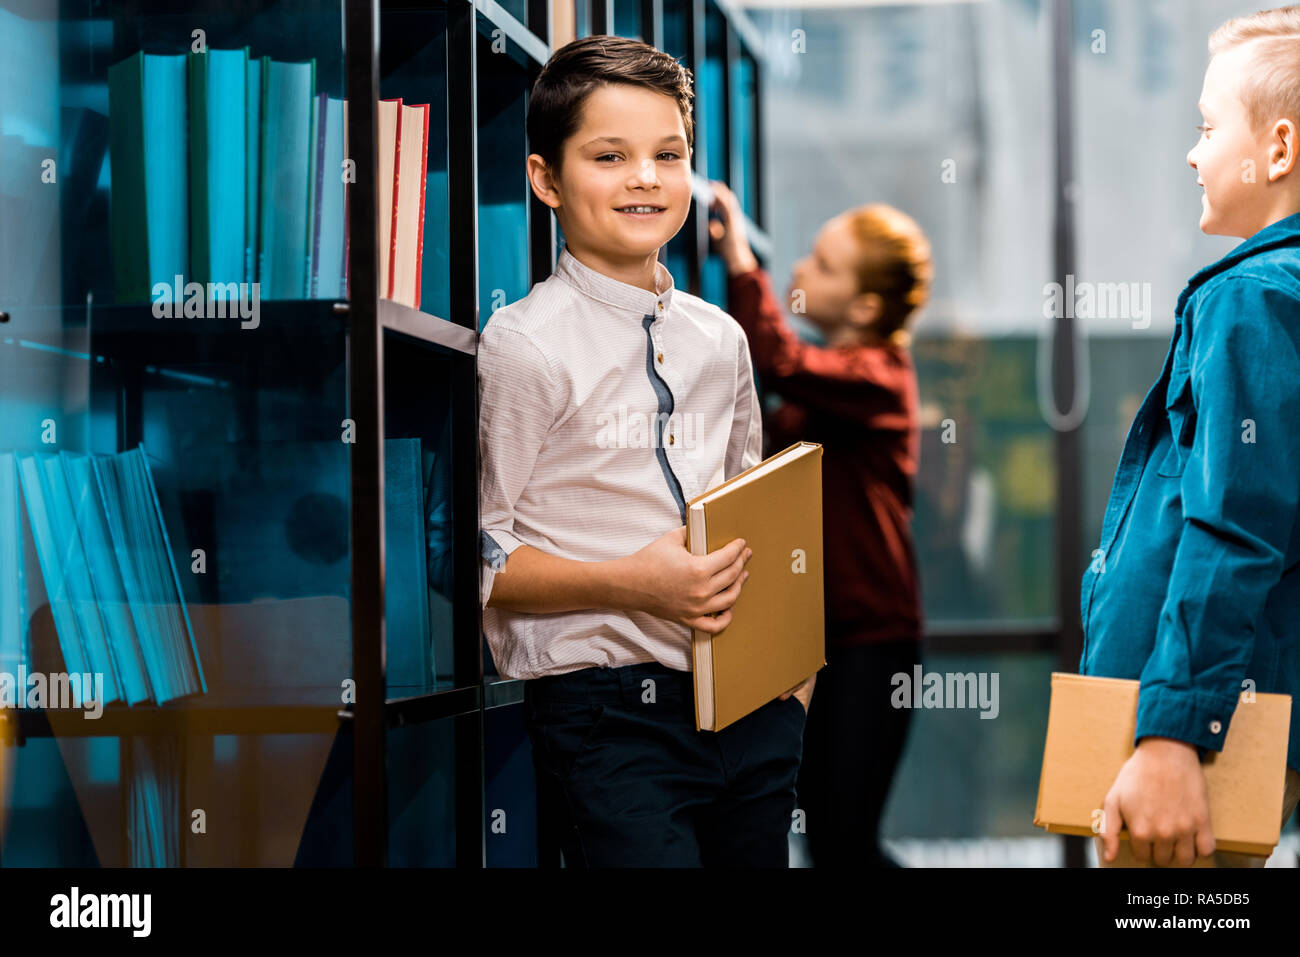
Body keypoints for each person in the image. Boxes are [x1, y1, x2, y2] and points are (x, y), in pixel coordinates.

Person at [476, 34, 813, 868]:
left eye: (669, 155)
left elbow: (753, 516)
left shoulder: (722, 339)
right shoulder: (522, 346)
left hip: (747, 704)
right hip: (608, 715)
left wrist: (793, 686)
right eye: (609, 155)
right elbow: (482, 560)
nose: (645, 179)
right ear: (545, 179)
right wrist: (634, 582)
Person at [1082, 5, 1300, 868]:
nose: (1192, 152)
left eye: (1208, 128)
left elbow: (1235, 522)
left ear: (1278, 150)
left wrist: (1172, 733)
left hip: (1204, 743)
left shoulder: (1249, 298)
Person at [710, 182, 931, 867]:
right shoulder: (830, 383)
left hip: (872, 643)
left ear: (865, 306)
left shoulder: (881, 376)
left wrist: (743, 265)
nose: (800, 271)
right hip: (815, 641)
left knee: (843, 838)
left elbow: (778, 359)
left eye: (823, 265)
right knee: (823, 836)